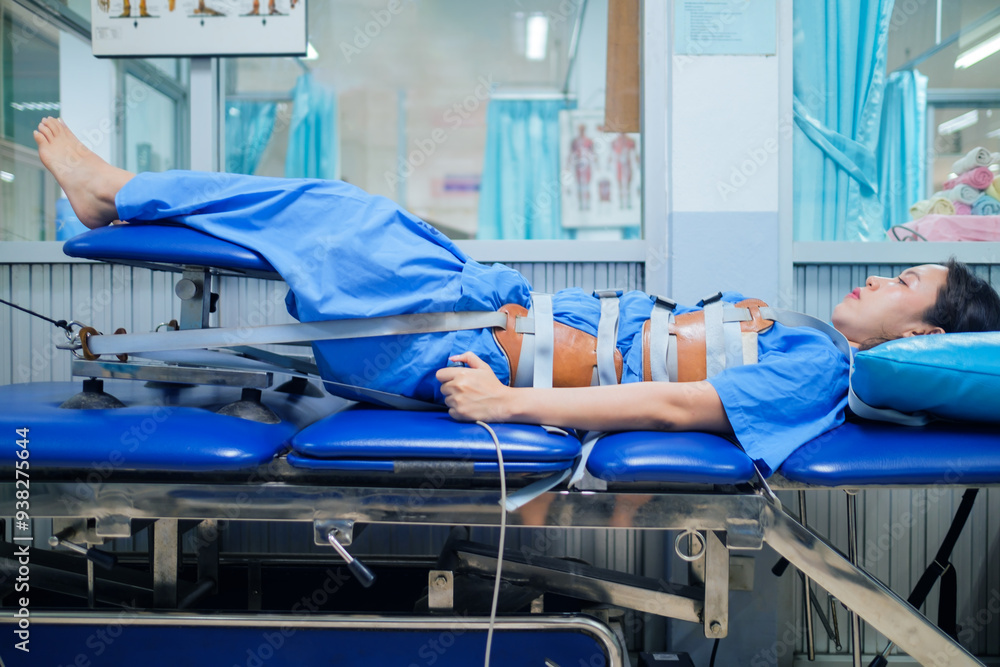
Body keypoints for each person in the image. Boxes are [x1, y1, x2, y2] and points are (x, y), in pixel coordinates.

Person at [33, 117, 1000, 475]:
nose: (879, 275)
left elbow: (674, 404)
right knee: (348, 212)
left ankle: (115, 192)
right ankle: (125, 196)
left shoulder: (818, 371)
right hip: (474, 305)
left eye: (904, 282)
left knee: (331, 209)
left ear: (919, 335)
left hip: (439, 343)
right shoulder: (802, 338)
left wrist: (509, 404)